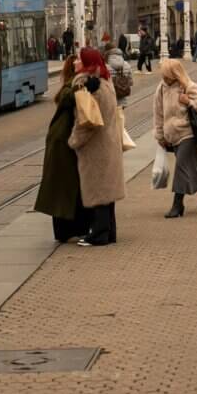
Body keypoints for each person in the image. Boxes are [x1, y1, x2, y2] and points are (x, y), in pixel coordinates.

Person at [67, 48, 125, 246]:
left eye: (78, 59)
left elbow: (88, 121)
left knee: (99, 189)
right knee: (107, 191)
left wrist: (74, 141)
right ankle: (109, 232)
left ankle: (99, 234)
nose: (74, 61)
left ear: (86, 63)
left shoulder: (89, 86)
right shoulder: (105, 82)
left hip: (96, 147)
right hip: (108, 143)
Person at [34, 56, 93, 242]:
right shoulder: (72, 86)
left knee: (66, 188)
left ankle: (68, 229)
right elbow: (69, 98)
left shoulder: (70, 84)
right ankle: (69, 229)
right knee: (68, 187)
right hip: (63, 143)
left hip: (62, 141)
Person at [153, 59, 197, 218]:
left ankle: (177, 204)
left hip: (187, 133)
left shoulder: (188, 86)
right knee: (192, 168)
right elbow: (158, 113)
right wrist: (160, 135)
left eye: (166, 75)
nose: (164, 78)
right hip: (171, 136)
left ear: (175, 74)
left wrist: (190, 102)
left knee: (181, 167)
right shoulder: (161, 88)